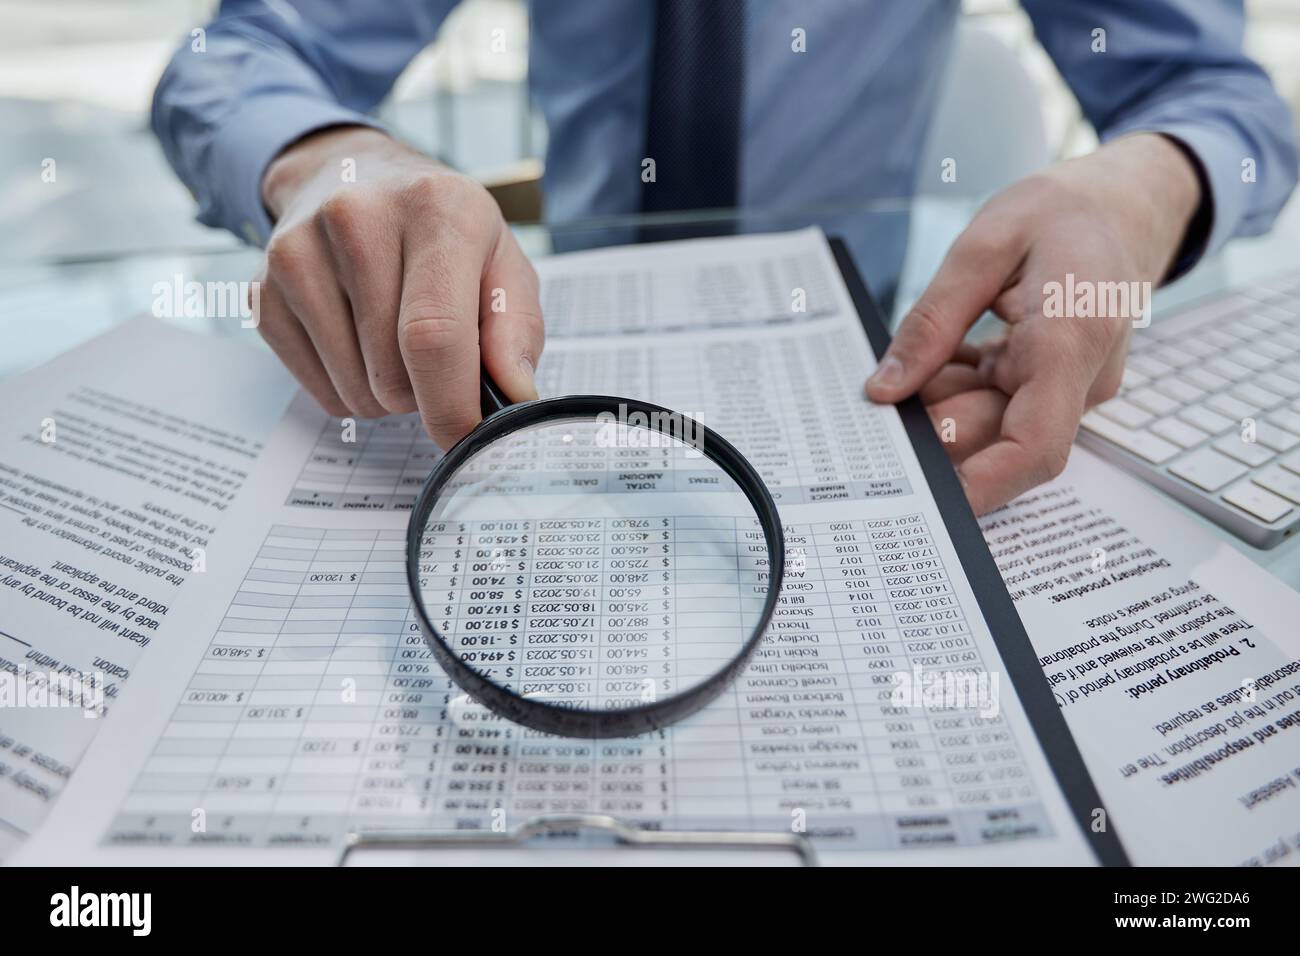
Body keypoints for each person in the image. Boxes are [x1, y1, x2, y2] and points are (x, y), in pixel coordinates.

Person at [153, 0, 1297, 513]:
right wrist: (323, 157)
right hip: (544, 344)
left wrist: (1143, 185)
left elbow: (1227, 104)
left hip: (877, 371)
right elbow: (236, 53)